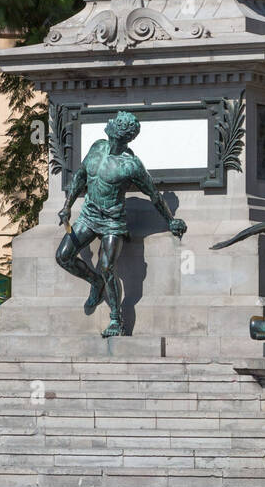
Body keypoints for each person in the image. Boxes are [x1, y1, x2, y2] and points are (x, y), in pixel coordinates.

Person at [56, 110, 186, 338]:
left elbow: (153, 194)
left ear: (122, 135)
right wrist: (67, 206)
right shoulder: (97, 147)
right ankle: (95, 281)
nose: (109, 126)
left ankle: (116, 319)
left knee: (107, 266)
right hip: (88, 215)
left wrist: (171, 220)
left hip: (112, 222)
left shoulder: (131, 165)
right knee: (63, 256)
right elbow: (80, 177)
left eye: (115, 126)